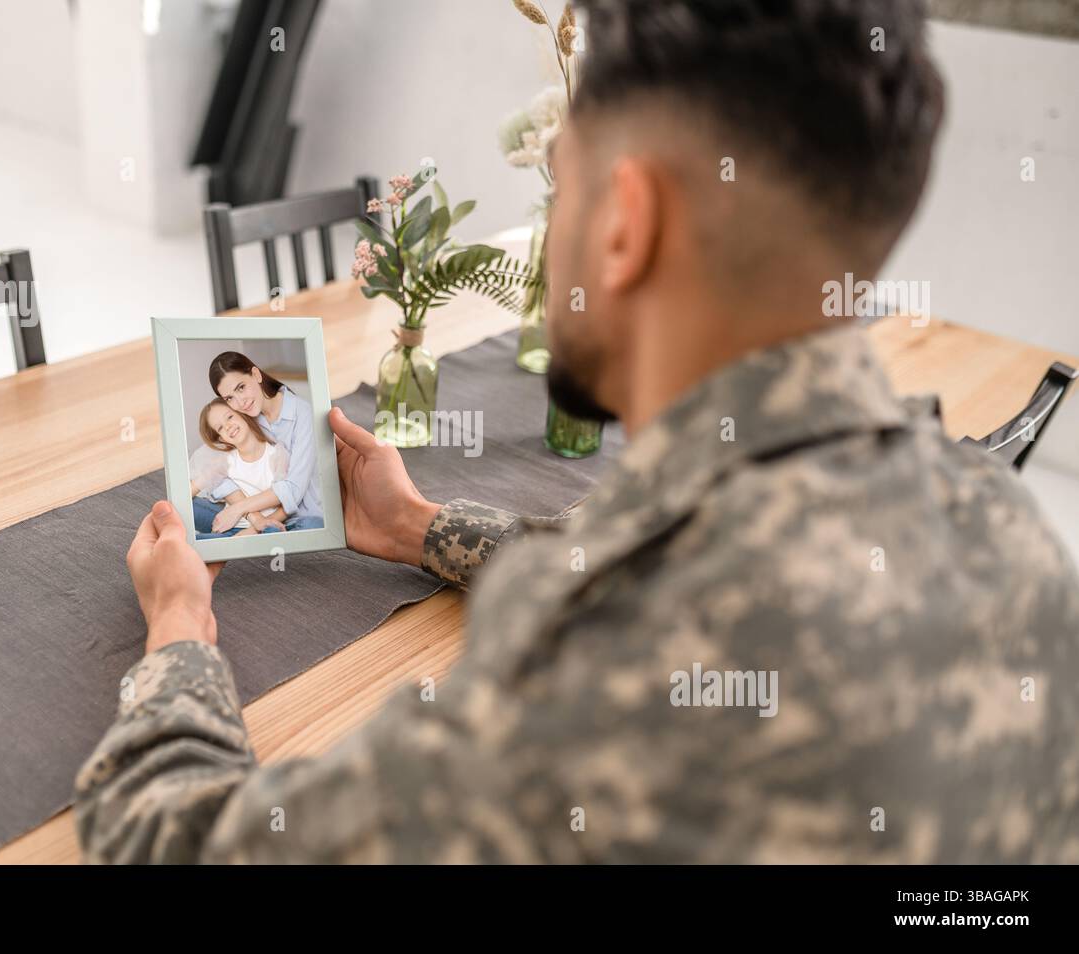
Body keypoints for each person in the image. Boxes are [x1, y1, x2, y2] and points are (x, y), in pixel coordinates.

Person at [74, 0, 1079, 863]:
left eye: (561, 179)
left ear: (622, 221)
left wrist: (177, 635)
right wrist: (419, 524)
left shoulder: (603, 676)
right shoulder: (1011, 536)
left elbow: (187, 842)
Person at [207, 351, 325, 532]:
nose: (240, 402)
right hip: (257, 513)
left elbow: (293, 490)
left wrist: (242, 515)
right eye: (229, 398)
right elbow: (220, 471)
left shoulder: (302, 413)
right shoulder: (246, 417)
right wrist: (255, 519)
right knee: (193, 511)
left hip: (302, 517)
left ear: (256, 374)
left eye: (241, 387)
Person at [192, 399, 288, 539]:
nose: (228, 427)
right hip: (229, 523)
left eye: (230, 417)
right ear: (222, 439)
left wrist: (254, 529)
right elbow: (185, 495)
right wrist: (205, 477)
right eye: (220, 428)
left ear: (242, 414)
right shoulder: (225, 461)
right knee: (178, 509)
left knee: (273, 531)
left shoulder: (276, 454)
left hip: (268, 524)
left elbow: (289, 504)